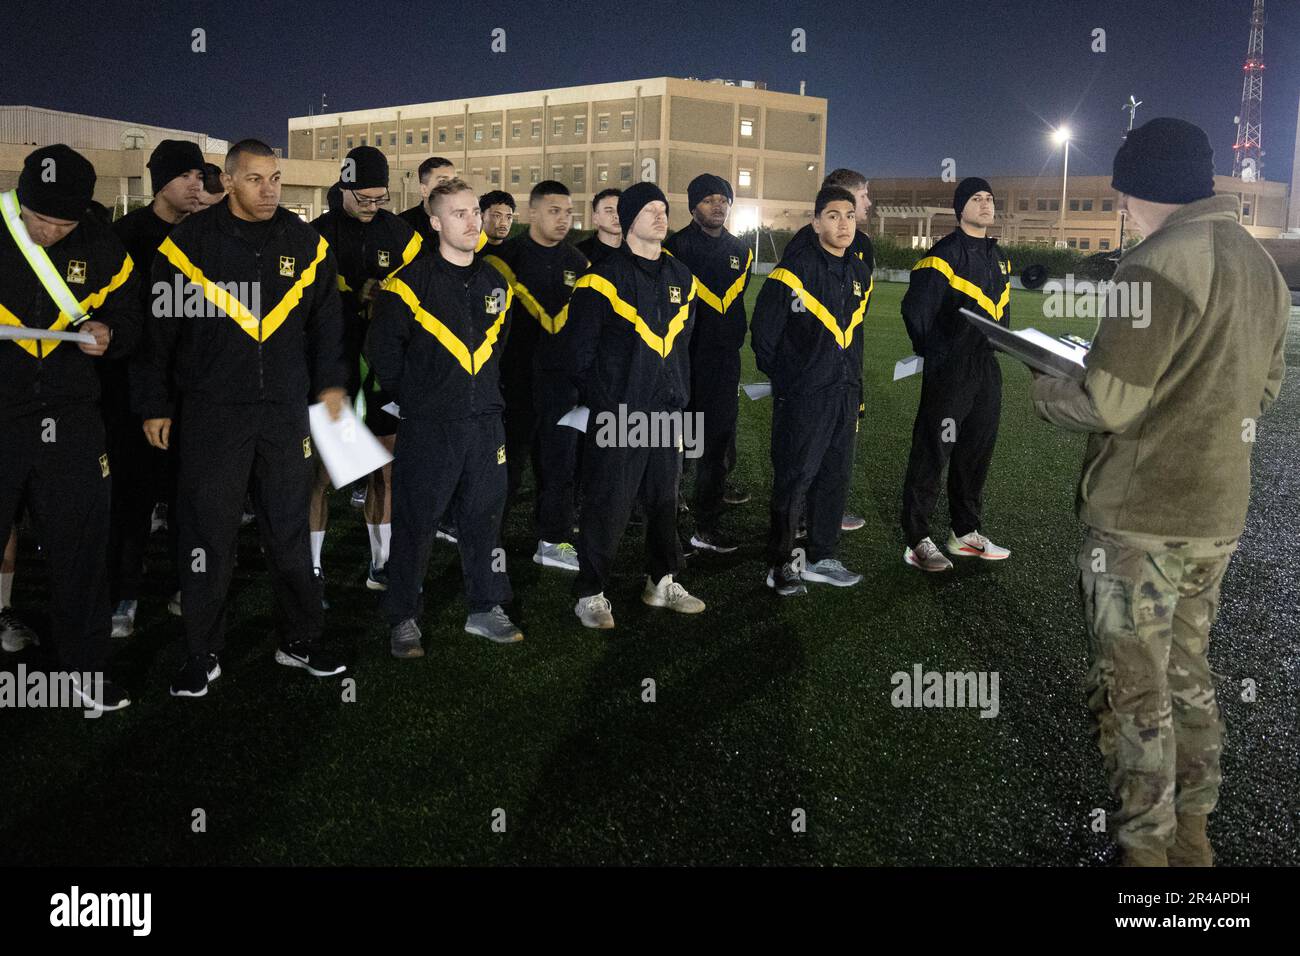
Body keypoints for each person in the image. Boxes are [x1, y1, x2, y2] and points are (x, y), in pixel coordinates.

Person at [1031, 118, 1289, 867]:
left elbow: (1109, 402)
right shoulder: (1260, 264)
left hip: (1139, 523)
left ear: (1147, 189)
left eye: (1124, 196)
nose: (1122, 211)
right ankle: (1192, 840)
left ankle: (1145, 855)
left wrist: (1048, 387)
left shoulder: (1156, 262)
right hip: (1216, 515)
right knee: (1189, 677)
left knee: (1131, 694)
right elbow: (1264, 389)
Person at [135, 138, 348, 697]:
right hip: (213, 414)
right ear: (226, 182)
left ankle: (300, 638)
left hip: (283, 412)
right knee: (208, 536)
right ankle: (201, 651)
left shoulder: (307, 244)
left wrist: (330, 388)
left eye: (275, 178)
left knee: (289, 530)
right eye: (255, 179)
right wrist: (154, 403)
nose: (270, 188)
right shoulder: (188, 244)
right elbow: (160, 332)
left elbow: (327, 324)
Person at [0, 144, 141, 710]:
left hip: (72, 418)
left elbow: (134, 319)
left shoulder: (103, 246)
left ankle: (83, 671)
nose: (50, 233)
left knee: (80, 548)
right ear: (19, 201)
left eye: (62, 223)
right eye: (39, 221)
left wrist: (112, 334)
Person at [367, 178, 523, 655]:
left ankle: (485, 606)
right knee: (416, 521)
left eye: (475, 211)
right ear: (435, 222)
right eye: (459, 213)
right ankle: (403, 615)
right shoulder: (408, 283)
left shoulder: (498, 283)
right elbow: (383, 353)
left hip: (485, 424)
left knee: (484, 518)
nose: (473, 220)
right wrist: (419, 398)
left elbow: (500, 350)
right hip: (430, 425)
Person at [566, 182, 704, 628]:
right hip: (620, 413)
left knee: (665, 498)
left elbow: (685, 347)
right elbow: (580, 354)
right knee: (610, 502)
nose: (660, 216)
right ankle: (590, 591)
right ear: (627, 219)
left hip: (667, 411)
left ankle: (662, 581)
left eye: (663, 209)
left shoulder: (683, 277)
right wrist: (604, 404)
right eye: (648, 209)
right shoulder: (600, 279)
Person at [309, 146, 421, 595]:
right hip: (331, 366)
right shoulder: (316, 234)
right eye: (364, 198)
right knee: (319, 474)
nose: (373, 207)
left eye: (380, 198)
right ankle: (311, 565)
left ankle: (382, 562)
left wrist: (388, 303)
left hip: (382, 370)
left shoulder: (403, 234)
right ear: (344, 187)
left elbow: (419, 295)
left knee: (385, 470)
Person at [107, 139, 206, 637]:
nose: (197, 185)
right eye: (186, 175)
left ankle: (188, 585)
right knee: (133, 496)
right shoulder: (126, 235)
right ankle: (124, 592)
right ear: (159, 181)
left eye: (200, 176)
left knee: (190, 497)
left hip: (196, 391)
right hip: (136, 390)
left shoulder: (210, 235)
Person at [752, 185, 872, 596]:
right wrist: (793, 380)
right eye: (834, 216)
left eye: (850, 216)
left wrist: (855, 388)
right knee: (795, 478)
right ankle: (781, 564)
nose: (843, 224)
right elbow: (764, 338)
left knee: (835, 477)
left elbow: (855, 338)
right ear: (817, 222)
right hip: (805, 396)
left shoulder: (859, 274)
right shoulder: (793, 271)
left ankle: (822, 557)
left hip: (844, 392)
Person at [899, 176, 1012, 572]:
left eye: (989, 198)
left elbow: (1003, 316)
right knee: (933, 451)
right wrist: (938, 353)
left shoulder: (999, 257)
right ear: (959, 207)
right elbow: (916, 310)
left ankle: (965, 533)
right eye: (976, 198)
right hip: (951, 371)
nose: (985, 204)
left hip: (986, 370)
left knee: (975, 453)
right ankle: (917, 539)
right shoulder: (943, 255)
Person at [482, 181, 589, 571]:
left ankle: (553, 540)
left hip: (561, 384)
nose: (563, 219)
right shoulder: (503, 259)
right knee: (504, 468)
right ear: (533, 213)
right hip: (514, 380)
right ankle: (489, 541)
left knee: (559, 465)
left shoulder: (579, 264)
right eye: (554, 211)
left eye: (568, 212)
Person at [664, 174, 752, 553]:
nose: (718, 205)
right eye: (708, 199)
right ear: (693, 206)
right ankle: (668, 526)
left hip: (722, 362)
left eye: (723, 199)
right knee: (672, 444)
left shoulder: (742, 250)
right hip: (681, 360)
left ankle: (706, 526)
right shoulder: (674, 248)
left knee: (715, 445)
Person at [784, 168, 876, 530]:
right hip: (812, 373)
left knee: (839, 446)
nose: (867, 202)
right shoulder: (803, 246)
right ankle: (801, 521)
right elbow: (783, 318)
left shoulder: (862, 245)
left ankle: (826, 513)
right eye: (863, 195)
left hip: (846, 364)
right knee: (806, 451)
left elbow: (858, 306)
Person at [399, 157, 456, 248]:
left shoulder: (465, 223)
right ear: (424, 190)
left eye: (455, 181)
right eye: (443, 181)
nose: (453, 188)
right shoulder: (403, 226)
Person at [576, 188, 621, 269]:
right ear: (595, 218)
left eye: (620, 210)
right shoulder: (579, 254)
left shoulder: (634, 254)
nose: (616, 216)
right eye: (609, 211)